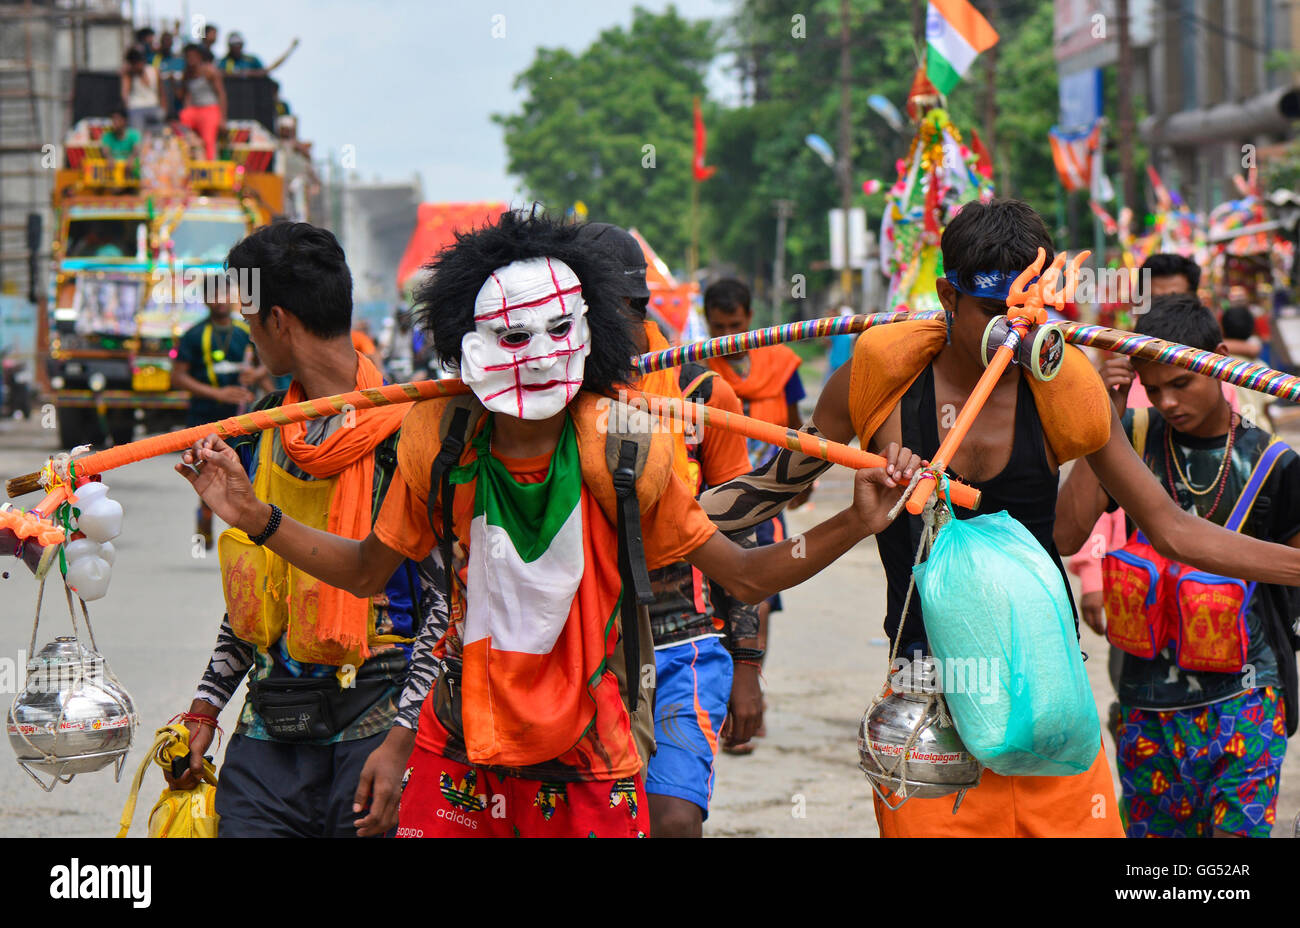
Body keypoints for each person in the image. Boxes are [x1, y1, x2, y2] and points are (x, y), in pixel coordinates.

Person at [175, 210, 922, 838]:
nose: (531, 358)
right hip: (457, 748)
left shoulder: (628, 451)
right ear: (469, 338)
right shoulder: (440, 443)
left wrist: (855, 523)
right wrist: (255, 517)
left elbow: (746, 572)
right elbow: (370, 569)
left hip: (592, 756)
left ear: (588, 333)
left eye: (551, 332)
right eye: (511, 337)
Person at [699, 197, 1300, 837]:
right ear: (946, 296)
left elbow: (1171, 528)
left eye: (1026, 312)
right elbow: (759, 494)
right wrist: (654, 511)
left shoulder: (1065, 387)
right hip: (926, 707)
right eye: (991, 314)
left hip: (1048, 696)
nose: (1012, 336)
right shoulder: (879, 383)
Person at [163, 222, 426, 838]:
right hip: (270, 731)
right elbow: (257, 591)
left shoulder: (409, 433)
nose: (249, 336)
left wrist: (403, 742)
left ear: (278, 321)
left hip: (376, 722)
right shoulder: (259, 434)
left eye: (252, 322)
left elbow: (445, 609)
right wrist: (206, 706)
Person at [1056, 293, 1298, 838]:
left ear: (1217, 359)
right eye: (1154, 387)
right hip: (1145, 704)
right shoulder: (1131, 438)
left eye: (1181, 383)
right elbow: (1067, 532)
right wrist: (1105, 419)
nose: (1167, 401)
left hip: (1246, 701)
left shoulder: (1275, 464)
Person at [579, 222, 760, 837]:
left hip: (685, 642)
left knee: (673, 819)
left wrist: (749, 667)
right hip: (591, 649)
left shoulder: (704, 397)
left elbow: (741, 535)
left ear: (634, 305)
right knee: (607, 818)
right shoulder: (557, 403)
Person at [703, 276, 809, 754]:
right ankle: (728, 701)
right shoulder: (696, 368)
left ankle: (749, 695)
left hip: (767, 493)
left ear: (750, 318)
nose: (727, 333)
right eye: (718, 325)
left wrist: (800, 480)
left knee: (759, 592)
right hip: (713, 499)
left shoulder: (781, 361)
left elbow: (798, 423)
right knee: (717, 601)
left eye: (736, 324)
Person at [171, 273, 254, 548]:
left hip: (241, 418)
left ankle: (239, 531)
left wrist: (256, 377)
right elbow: (178, 377)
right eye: (214, 296)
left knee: (242, 470)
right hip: (205, 416)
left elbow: (269, 365)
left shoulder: (247, 331)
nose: (221, 301)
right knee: (209, 469)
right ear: (206, 300)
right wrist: (218, 393)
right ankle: (206, 513)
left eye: (225, 294)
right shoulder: (194, 335)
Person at [177, 43, 225, 160]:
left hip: (210, 109)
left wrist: (222, 118)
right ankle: (186, 158)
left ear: (199, 57)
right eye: (188, 57)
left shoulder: (210, 71)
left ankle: (210, 166)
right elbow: (185, 95)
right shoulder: (186, 74)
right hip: (194, 110)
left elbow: (221, 94)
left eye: (193, 56)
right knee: (182, 122)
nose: (190, 59)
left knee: (209, 140)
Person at [121, 48, 163, 132]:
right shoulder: (129, 75)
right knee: (138, 134)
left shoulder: (154, 71)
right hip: (136, 108)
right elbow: (124, 94)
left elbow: (161, 92)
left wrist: (164, 109)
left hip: (153, 107)